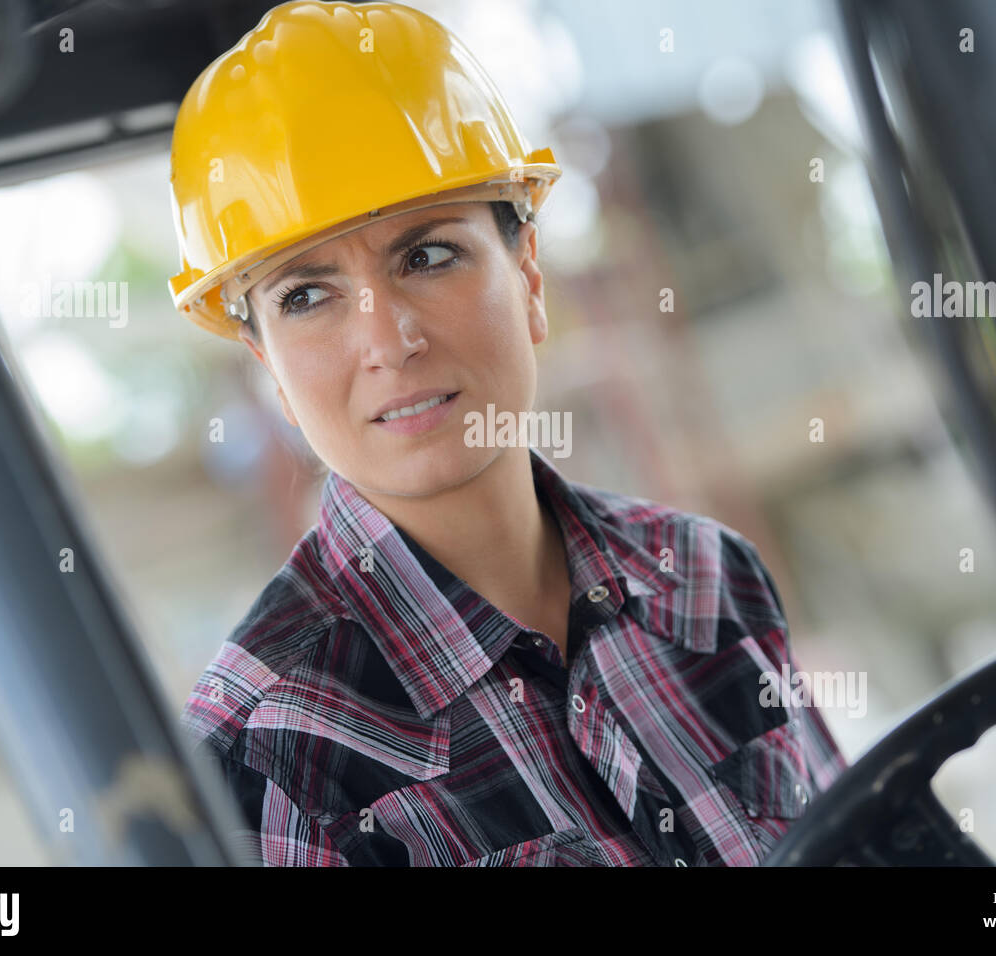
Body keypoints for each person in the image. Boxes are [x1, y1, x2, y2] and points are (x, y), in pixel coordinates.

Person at [171, 0, 846, 866]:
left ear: (528, 277)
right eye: (306, 295)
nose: (389, 342)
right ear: (269, 368)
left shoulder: (708, 578)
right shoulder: (267, 764)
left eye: (428, 255)